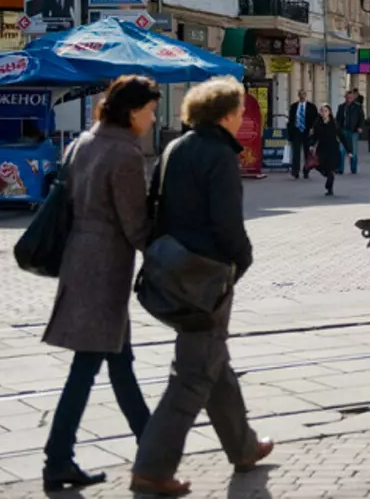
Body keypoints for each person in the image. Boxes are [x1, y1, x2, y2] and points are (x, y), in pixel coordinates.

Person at [130, 77, 272, 497]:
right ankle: (152, 468)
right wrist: (240, 261)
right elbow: (228, 223)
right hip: (206, 275)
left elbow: (153, 207)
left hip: (174, 269)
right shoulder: (220, 155)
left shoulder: (175, 147)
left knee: (214, 361)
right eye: (240, 110)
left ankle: (243, 447)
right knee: (193, 374)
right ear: (226, 114)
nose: (243, 116)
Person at [40, 76, 161, 492]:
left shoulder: (85, 142)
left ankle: (151, 449)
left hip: (81, 258)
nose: (153, 116)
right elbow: (135, 224)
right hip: (104, 268)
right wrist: (166, 254)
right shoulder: (125, 154)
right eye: (149, 109)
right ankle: (57, 459)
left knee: (119, 364)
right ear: (132, 111)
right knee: (86, 366)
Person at [312, 103, 350, 196]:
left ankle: (330, 188)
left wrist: (349, 150)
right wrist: (311, 145)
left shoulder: (334, 123)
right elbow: (315, 136)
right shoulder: (318, 123)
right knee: (318, 165)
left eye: (326, 111)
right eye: (322, 111)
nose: (324, 113)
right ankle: (328, 175)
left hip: (333, 149)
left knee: (331, 169)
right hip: (322, 149)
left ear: (329, 112)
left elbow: (342, 137)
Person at [287, 89, 317, 180]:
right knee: (296, 152)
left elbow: (316, 120)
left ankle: (306, 171)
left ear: (306, 95)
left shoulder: (311, 107)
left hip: (307, 131)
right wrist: (290, 130)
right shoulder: (294, 106)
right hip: (296, 131)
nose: (302, 96)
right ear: (298, 95)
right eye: (300, 94)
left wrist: (313, 128)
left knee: (307, 152)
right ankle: (295, 171)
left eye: (303, 94)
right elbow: (291, 119)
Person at [335, 89, 364, 174]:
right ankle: (340, 169)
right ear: (345, 98)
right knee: (341, 150)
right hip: (342, 130)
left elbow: (361, 118)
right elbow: (338, 119)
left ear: (353, 98)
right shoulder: (341, 107)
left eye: (350, 98)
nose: (348, 99)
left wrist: (360, 127)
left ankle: (353, 168)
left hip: (353, 131)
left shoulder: (357, 107)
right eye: (347, 97)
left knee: (353, 151)